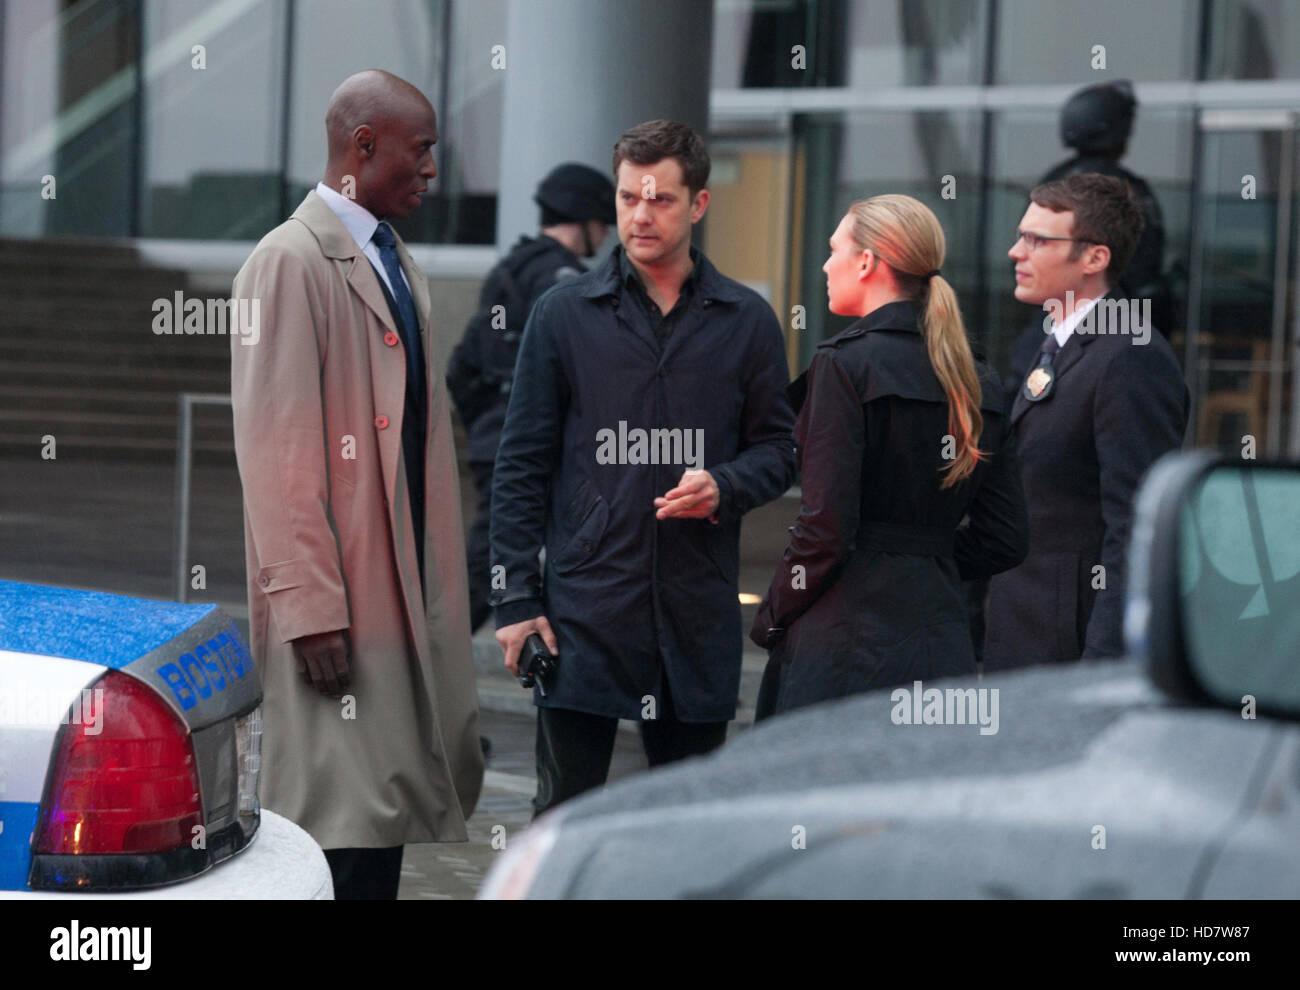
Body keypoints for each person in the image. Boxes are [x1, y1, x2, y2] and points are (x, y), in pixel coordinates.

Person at [490, 119, 797, 815]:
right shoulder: (562, 314)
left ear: (699, 205)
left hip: (695, 612)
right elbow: (520, 466)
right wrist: (514, 602)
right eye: (629, 197)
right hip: (583, 610)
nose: (640, 215)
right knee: (562, 819)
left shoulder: (747, 321)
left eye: (659, 199)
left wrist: (726, 483)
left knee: (687, 827)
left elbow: (781, 451)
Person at [230, 70, 483, 899]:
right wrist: (308, 609)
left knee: (378, 834)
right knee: (333, 841)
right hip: (339, 616)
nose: (433, 170)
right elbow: (277, 450)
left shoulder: (389, 255)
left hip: (397, 597)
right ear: (362, 146)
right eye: (422, 150)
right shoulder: (287, 262)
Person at [750, 195, 1029, 717]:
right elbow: (1005, 540)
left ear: (867, 261)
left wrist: (773, 614)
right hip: (939, 643)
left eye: (835, 249)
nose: (826, 263)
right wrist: (923, 557)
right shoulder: (978, 376)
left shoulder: (845, 365)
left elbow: (824, 530)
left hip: (842, 649)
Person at [984, 174, 1188, 669]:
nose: (1016, 252)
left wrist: (1102, 664)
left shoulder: (1131, 356)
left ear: (1095, 258)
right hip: (1020, 629)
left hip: (1068, 648)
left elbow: (1136, 527)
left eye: (1038, 240)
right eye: (1020, 236)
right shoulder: (1050, 338)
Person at [447, 163, 615, 633]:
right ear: (584, 219)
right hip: (533, 445)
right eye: (603, 225)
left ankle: (440, 647)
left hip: (495, 438)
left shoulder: (509, 270)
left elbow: (463, 366)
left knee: (494, 551)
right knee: (497, 558)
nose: (604, 239)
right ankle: (435, 655)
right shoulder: (565, 283)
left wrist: (489, 424)